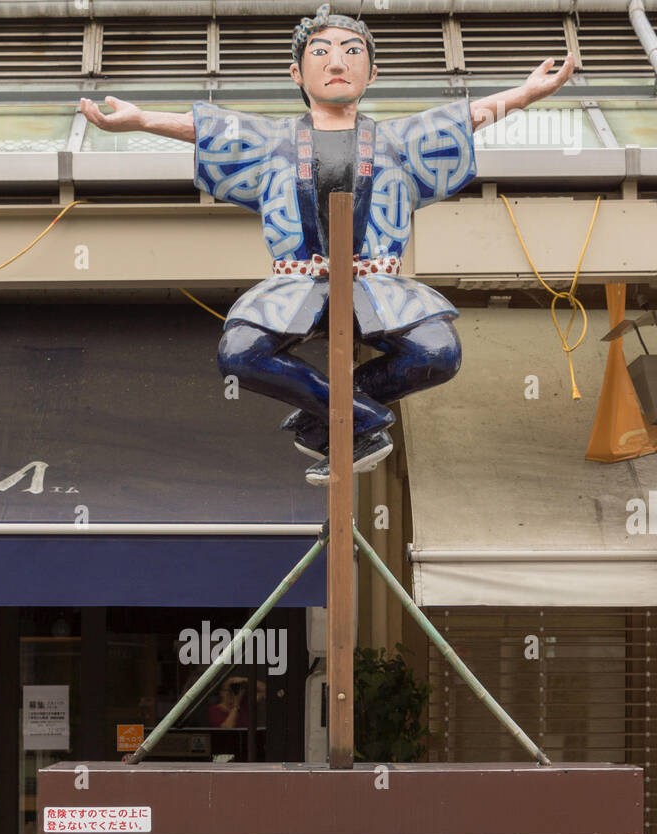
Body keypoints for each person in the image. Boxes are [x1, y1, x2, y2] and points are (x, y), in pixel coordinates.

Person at [80, 6, 574, 485]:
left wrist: (527, 93)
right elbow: (208, 129)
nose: (337, 63)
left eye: (351, 52)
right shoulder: (273, 140)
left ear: (372, 72)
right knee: (240, 353)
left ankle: (326, 417)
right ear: (297, 71)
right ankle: (360, 418)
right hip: (298, 280)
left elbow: (468, 116)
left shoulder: (398, 140)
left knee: (439, 352)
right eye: (321, 53)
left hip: (377, 280)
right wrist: (142, 119)